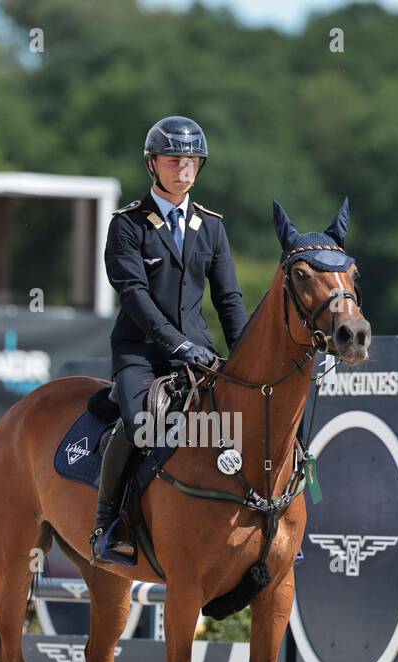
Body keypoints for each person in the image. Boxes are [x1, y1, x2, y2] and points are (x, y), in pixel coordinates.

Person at [90, 116, 248, 564]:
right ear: (152, 164)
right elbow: (135, 296)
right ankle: (109, 522)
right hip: (141, 352)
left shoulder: (212, 227)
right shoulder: (128, 225)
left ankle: (258, 521)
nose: (184, 169)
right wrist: (176, 344)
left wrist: (243, 357)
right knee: (143, 424)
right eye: (174, 160)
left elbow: (229, 298)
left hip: (199, 353)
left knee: (242, 421)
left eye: (192, 160)